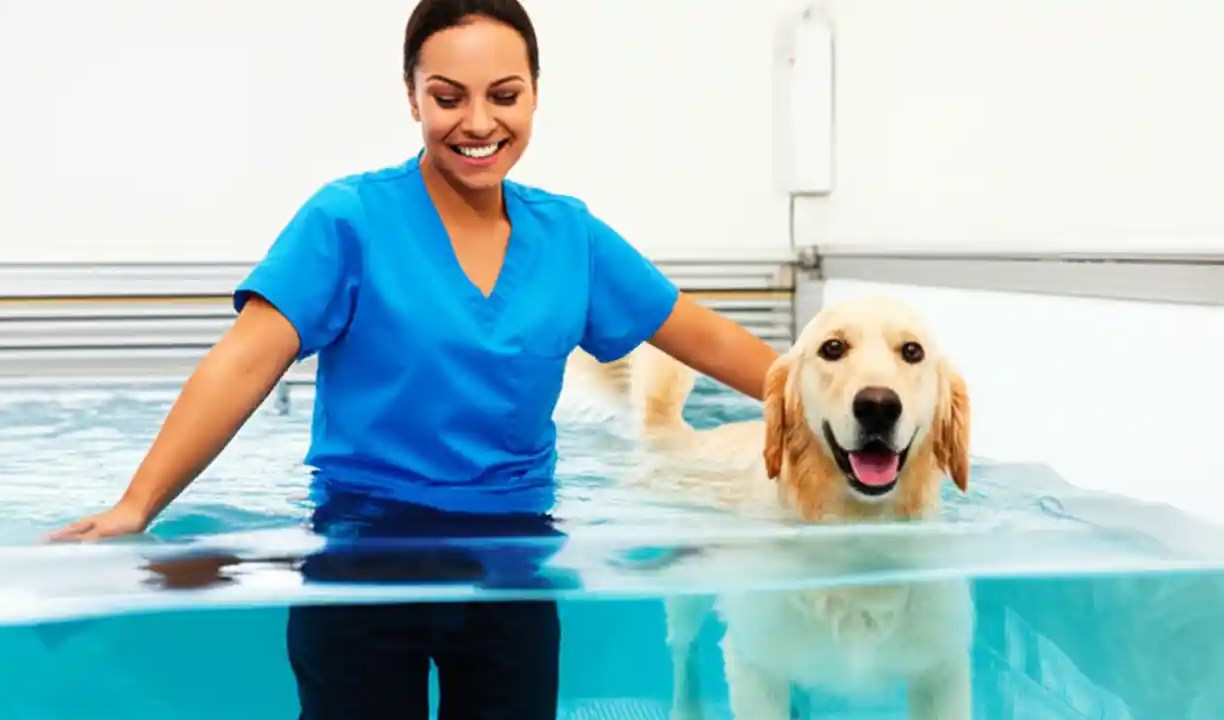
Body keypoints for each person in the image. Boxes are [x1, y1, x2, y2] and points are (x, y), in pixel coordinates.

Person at [50, 0, 779, 717]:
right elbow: (242, 364)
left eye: (505, 96)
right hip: (362, 550)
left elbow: (703, 335)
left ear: (534, 95)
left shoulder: (570, 236)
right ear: (411, 98)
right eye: (447, 97)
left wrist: (826, 411)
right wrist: (138, 505)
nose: (480, 123)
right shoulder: (349, 219)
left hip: (512, 560)